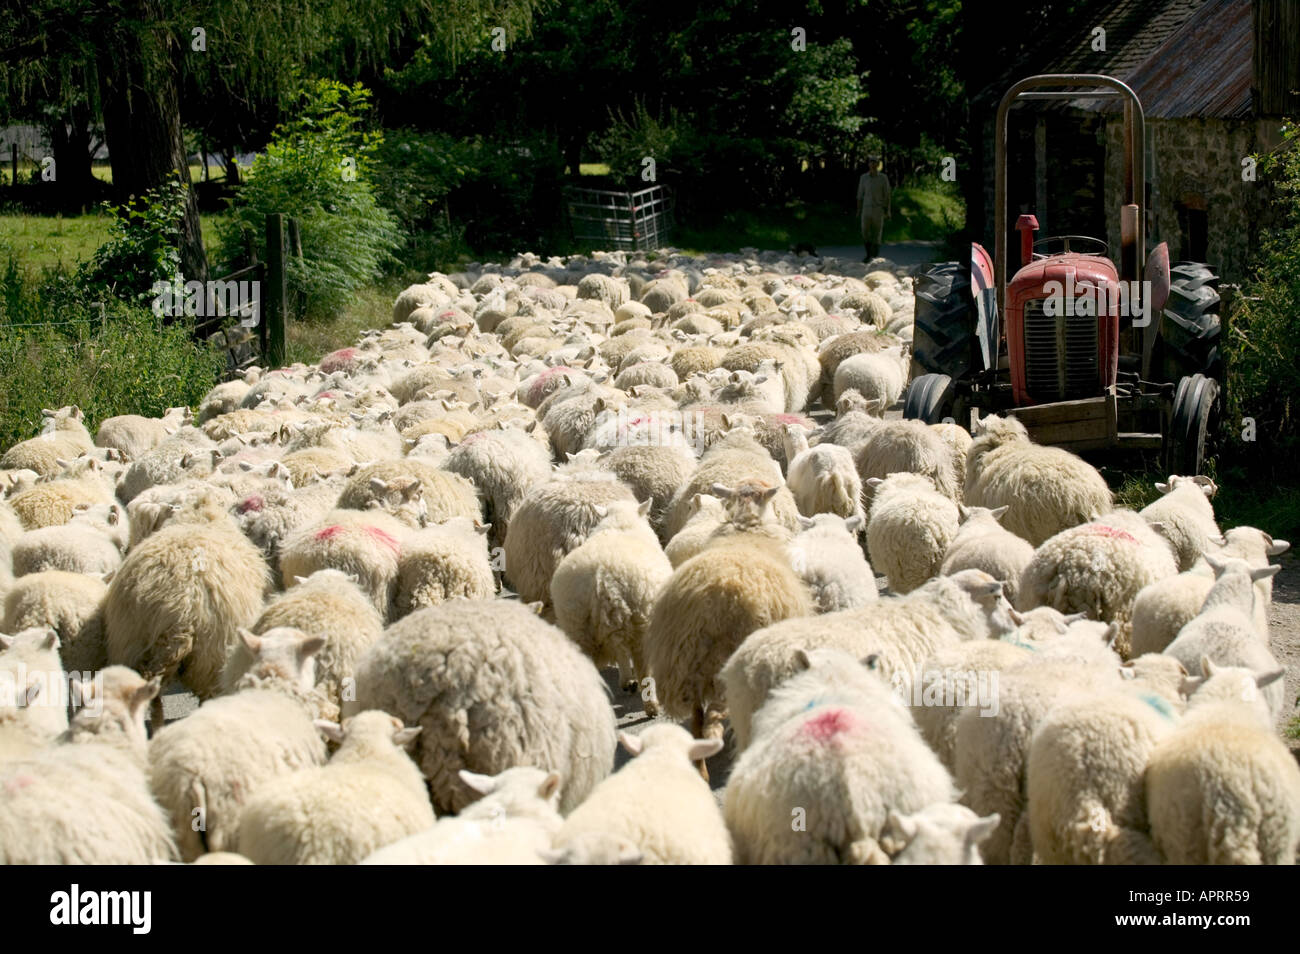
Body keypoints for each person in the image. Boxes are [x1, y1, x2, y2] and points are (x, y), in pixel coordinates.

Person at [856, 155, 891, 263]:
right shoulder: (864, 178)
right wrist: (859, 210)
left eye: (875, 162)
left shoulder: (883, 178)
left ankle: (874, 257)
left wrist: (887, 210)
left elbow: (887, 195)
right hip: (866, 208)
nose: (873, 164)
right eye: (871, 162)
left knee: (876, 233)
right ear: (868, 164)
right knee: (865, 232)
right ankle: (868, 254)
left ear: (878, 164)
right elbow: (860, 195)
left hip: (878, 208)